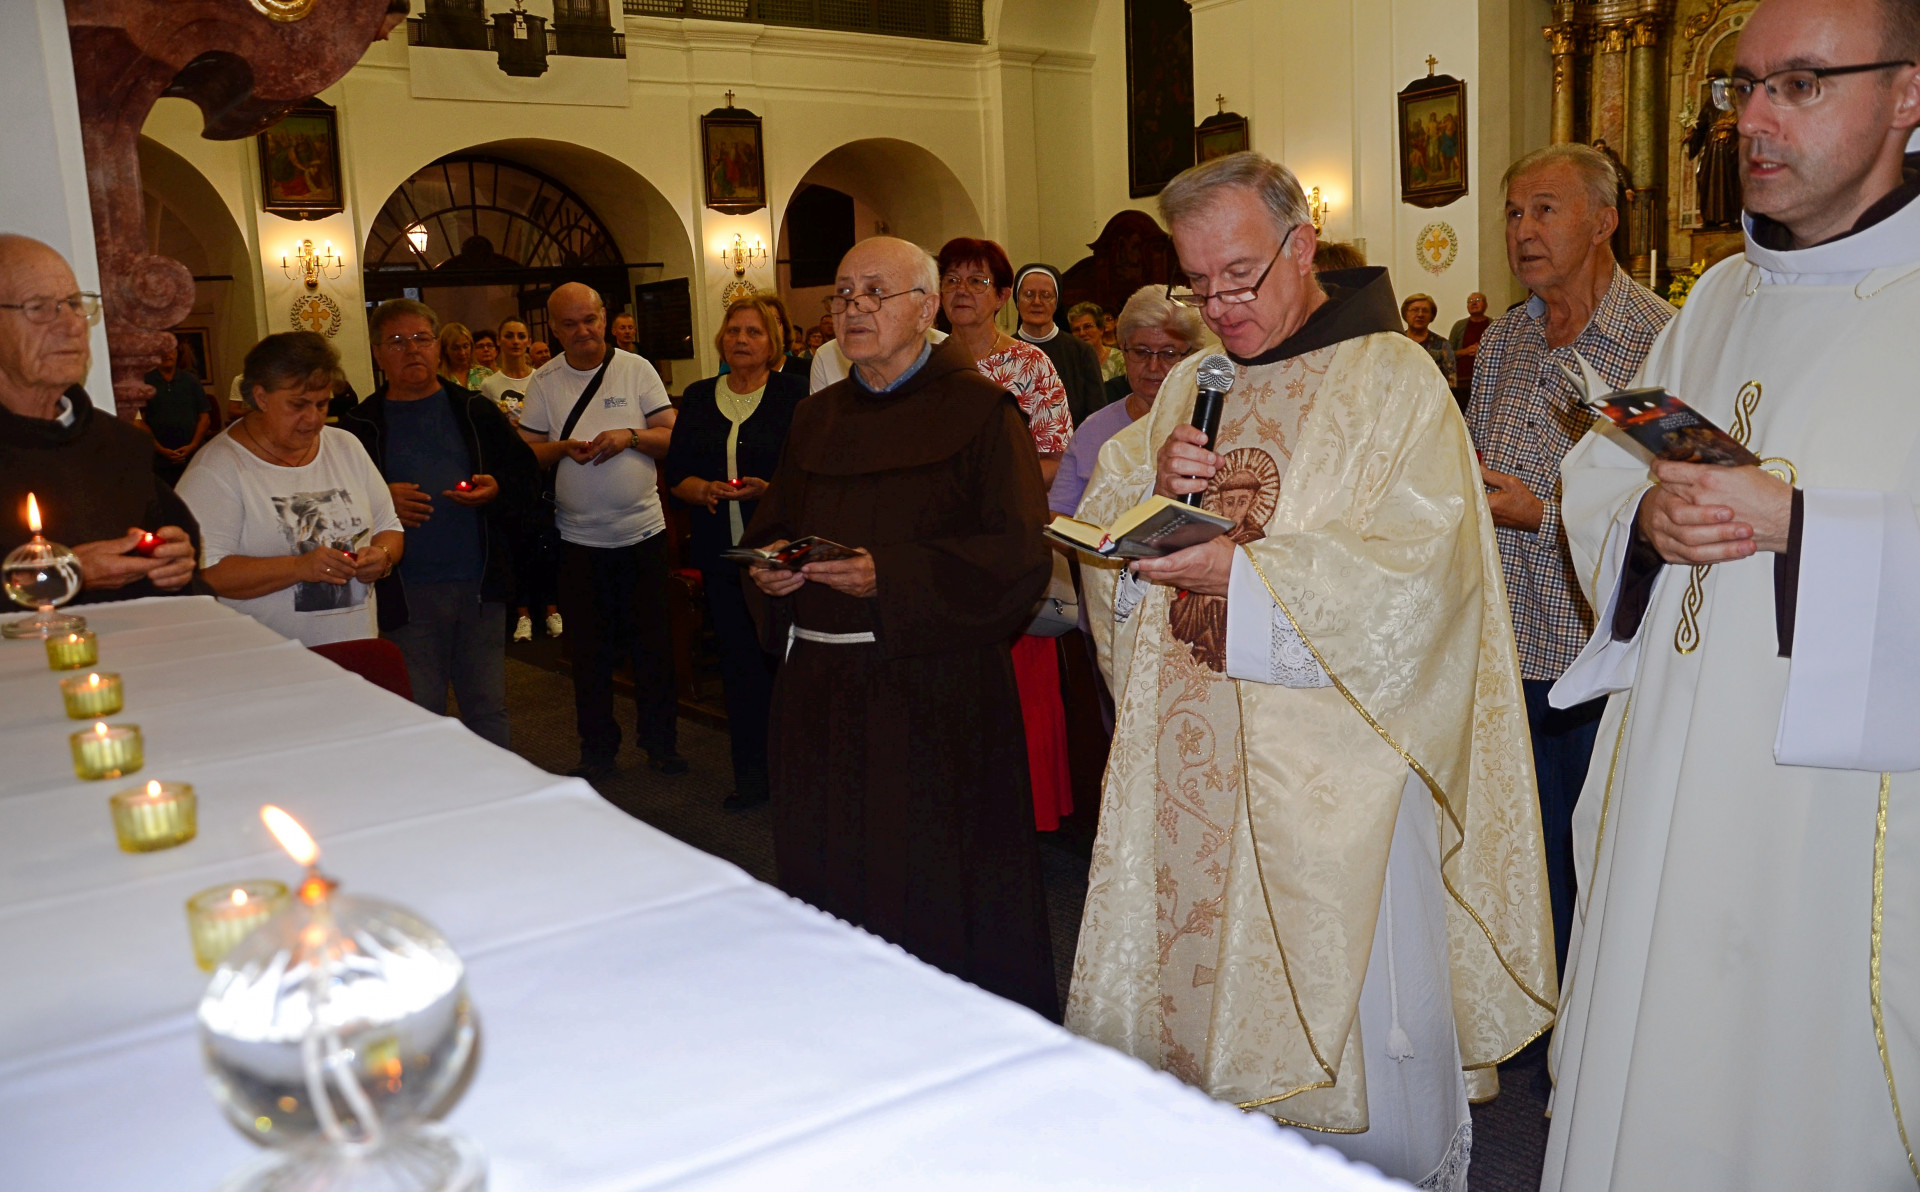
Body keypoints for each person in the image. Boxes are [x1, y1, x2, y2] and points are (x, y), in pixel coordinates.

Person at [1066, 151, 1554, 1186]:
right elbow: (1105, 521)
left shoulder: (1391, 378)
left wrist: (1248, 580)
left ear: (1302, 246)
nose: (1221, 308)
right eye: (1200, 287)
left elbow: (1427, 579)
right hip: (1196, 780)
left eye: (1240, 277)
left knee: (1360, 1083)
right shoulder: (1196, 382)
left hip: (1337, 791)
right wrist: (1151, 493)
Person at [1543, 0, 1920, 1185]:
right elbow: (1602, 477)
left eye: (1800, 84)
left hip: (1830, 833)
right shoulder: (1713, 300)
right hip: (1670, 794)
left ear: (1909, 93)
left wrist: (1803, 527)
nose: (1751, 121)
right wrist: (1643, 524)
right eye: (1739, 87)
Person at [742, 236, 1057, 1017]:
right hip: (821, 693)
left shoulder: (982, 412)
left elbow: (1017, 554)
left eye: (872, 293)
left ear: (925, 309)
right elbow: (773, 528)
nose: (852, 308)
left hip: (932, 697)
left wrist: (893, 575)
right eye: (842, 294)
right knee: (833, 876)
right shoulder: (816, 419)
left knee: (928, 882)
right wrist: (772, 571)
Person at [1468, 144, 1674, 979]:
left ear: (1606, 219)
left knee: (1601, 851)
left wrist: (1542, 512)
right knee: (1523, 851)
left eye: (1545, 209)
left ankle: (1598, 1021)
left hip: (1601, 651)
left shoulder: (1659, 340)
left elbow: (1676, 504)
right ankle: (1531, 1006)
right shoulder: (1505, 341)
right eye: (1514, 213)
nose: (1523, 230)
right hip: (1505, 641)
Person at [338, 300, 537, 749]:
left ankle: (499, 805)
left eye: (421, 339)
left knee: (486, 708)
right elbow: (335, 506)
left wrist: (496, 488)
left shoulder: (474, 411)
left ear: (436, 346)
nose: (411, 350)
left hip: (477, 586)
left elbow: (525, 477)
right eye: (396, 342)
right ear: (376, 353)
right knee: (418, 711)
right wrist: (380, 501)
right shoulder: (359, 427)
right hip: (403, 593)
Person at [516, 282, 682, 781]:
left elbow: (673, 437)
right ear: (554, 328)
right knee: (589, 656)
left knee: (654, 649)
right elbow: (526, 454)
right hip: (579, 542)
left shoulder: (637, 369)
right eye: (570, 324)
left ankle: (661, 744)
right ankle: (597, 750)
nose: (583, 331)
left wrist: (629, 436)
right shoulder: (545, 381)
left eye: (590, 319)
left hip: (643, 534)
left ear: (605, 317)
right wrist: (564, 447)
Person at [937, 235, 1075, 833]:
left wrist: (995, 503)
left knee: (1016, 683)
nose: (962, 291)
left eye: (976, 281)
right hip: (939, 547)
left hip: (1008, 539)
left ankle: (1021, 809)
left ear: (999, 297)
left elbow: (1054, 456)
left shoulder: (1029, 365)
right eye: (951, 280)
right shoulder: (921, 361)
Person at [664, 296, 805, 812]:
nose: (742, 340)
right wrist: (700, 489)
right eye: (734, 331)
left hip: (780, 558)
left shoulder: (796, 394)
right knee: (740, 667)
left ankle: (798, 778)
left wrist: (770, 489)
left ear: (774, 344)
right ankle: (751, 779)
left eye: (754, 332)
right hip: (721, 556)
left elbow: (810, 475)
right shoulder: (700, 396)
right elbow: (676, 470)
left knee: (787, 667)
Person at [0, 235, 198, 602]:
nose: (73, 325)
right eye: (40, 308)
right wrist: (64, 575)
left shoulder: (122, 445)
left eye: (74, 304)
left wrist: (174, 565)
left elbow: (181, 565)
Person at [177, 333, 403, 645]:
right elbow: (207, 573)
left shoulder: (345, 446)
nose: (313, 418)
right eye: (298, 405)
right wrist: (298, 567)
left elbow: (390, 526)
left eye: (322, 404)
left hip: (355, 645)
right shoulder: (217, 468)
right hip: (265, 658)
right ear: (261, 397)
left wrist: (382, 555)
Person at [1049, 285, 1202, 517]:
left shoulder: (1208, 426)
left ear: (1192, 357)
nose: (1153, 367)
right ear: (1123, 349)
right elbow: (1058, 516)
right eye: (1141, 352)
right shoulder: (1093, 430)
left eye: (1169, 353)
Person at [482, 318, 561, 643]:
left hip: (541, 471)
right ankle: (523, 614)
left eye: (521, 336)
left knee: (547, 542)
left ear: (529, 342)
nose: (515, 341)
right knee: (517, 543)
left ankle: (552, 609)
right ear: (500, 342)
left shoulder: (542, 379)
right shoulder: (490, 384)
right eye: (509, 336)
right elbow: (491, 434)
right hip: (511, 473)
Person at [1013, 263, 1107, 423]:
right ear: (1016, 300)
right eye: (1028, 294)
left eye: (1046, 295)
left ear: (1056, 301)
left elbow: (1096, 418)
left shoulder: (1081, 352)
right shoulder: (1003, 351)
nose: (1036, 301)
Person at [138, 339, 212, 486]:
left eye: (171, 349)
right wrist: (160, 449)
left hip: (191, 457)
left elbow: (205, 417)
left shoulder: (191, 381)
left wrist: (192, 446)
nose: (167, 354)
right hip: (158, 460)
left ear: (177, 352)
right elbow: (139, 421)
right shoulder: (144, 382)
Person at [1399, 292, 1458, 392]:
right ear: (1405, 314)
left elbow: (1451, 381)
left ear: (1432, 316)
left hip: (1433, 400)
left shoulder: (1442, 344)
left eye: (1425, 311)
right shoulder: (1397, 342)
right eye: (1415, 310)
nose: (1420, 314)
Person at [1447, 290, 1492, 406]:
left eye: (1477, 300)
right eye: (1470, 301)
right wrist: (1465, 351)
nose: (1473, 303)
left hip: (1487, 382)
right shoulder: (1459, 326)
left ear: (1486, 305)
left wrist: (1482, 352)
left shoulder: (1493, 325)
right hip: (1462, 381)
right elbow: (1448, 353)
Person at [1068, 301, 1124, 382]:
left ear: (1101, 329)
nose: (1082, 333)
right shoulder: (1068, 363)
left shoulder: (1119, 360)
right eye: (1076, 329)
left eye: (1087, 327)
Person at [436, 323, 475, 390]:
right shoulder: (437, 378)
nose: (462, 353)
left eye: (466, 346)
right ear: (445, 349)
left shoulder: (485, 373)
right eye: (455, 348)